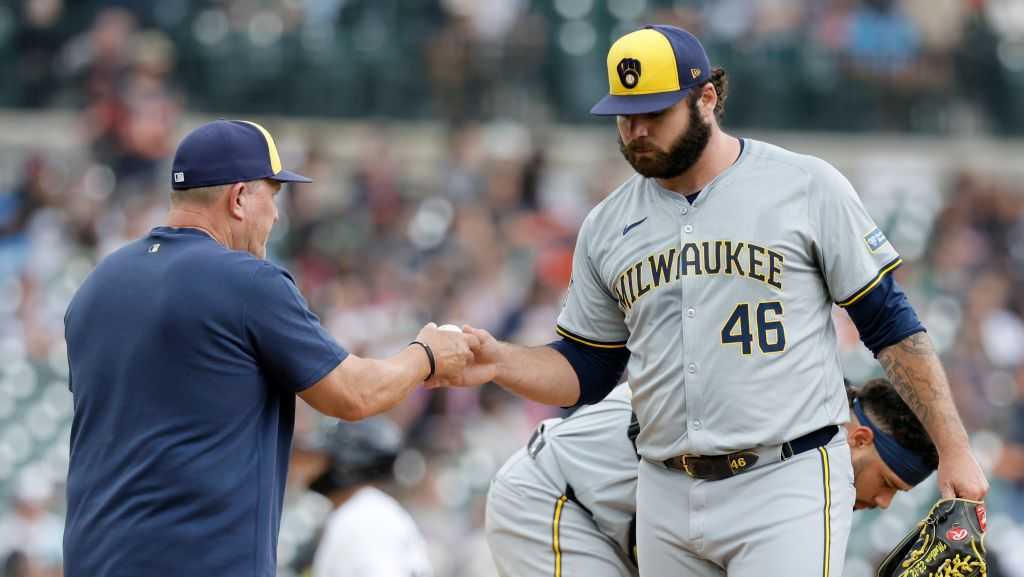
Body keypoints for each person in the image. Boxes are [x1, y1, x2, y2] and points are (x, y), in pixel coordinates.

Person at [457, 24, 986, 577]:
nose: (636, 130)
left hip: (785, 475)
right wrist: (500, 360)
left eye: (655, 113)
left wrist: (953, 447)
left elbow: (890, 324)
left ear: (706, 98)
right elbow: (588, 367)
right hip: (665, 485)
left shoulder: (805, 186)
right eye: (624, 114)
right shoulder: (606, 226)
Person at [62, 119, 477, 577]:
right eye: (272, 196)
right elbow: (354, 394)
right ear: (239, 198)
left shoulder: (97, 284)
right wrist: (427, 354)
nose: (277, 216)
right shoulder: (246, 280)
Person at [485, 378, 939, 577]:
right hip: (555, 500)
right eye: (888, 484)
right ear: (860, 439)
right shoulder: (779, 415)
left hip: (607, 526)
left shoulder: (806, 447)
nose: (883, 503)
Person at [305, 417, 433, 577]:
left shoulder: (364, 519)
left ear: (346, 464)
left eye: (325, 458)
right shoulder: (372, 511)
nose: (313, 466)